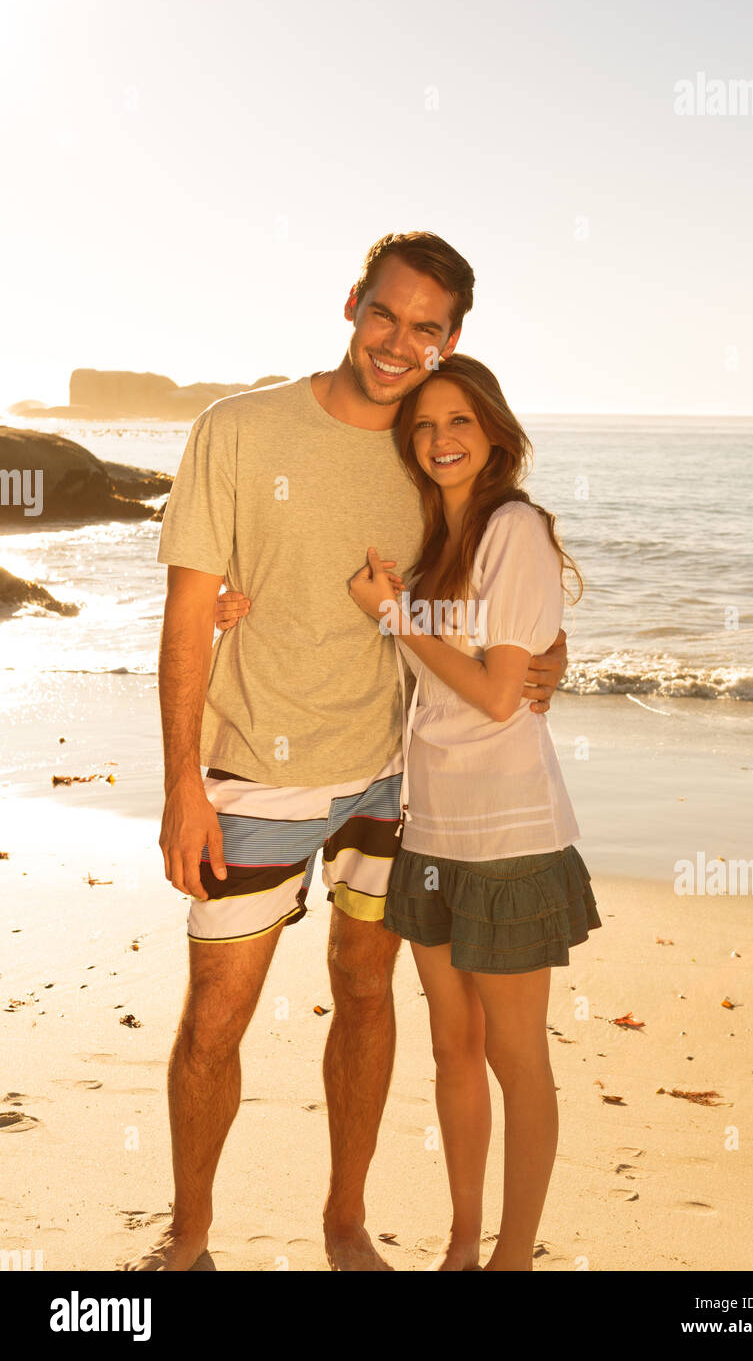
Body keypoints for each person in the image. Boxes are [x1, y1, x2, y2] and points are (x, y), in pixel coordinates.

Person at [123, 233, 568, 1272]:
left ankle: (344, 1222)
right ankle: (188, 1238)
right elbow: (189, 616)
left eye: (425, 328)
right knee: (213, 1020)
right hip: (253, 773)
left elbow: (500, 566)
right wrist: (181, 784)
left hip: (394, 778)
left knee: (365, 988)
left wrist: (549, 651)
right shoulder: (234, 429)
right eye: (384, 313)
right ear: (350, 303)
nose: (396, 341)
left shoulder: (430, 445)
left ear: (450, 339)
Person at [221, 355, 602, 1271]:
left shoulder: (515, 528)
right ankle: (462, 1247)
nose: (440, 440)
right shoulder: (437, 541)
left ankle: (512, 1257)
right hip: (426, 828)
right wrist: (239, 609)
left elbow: (500, 696)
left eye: (460, 421)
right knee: (453, 1045)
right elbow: (444, 671)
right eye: (425, 427)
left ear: (496, 433)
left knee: (517, 1057)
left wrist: (396, 616)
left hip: (508, 835)